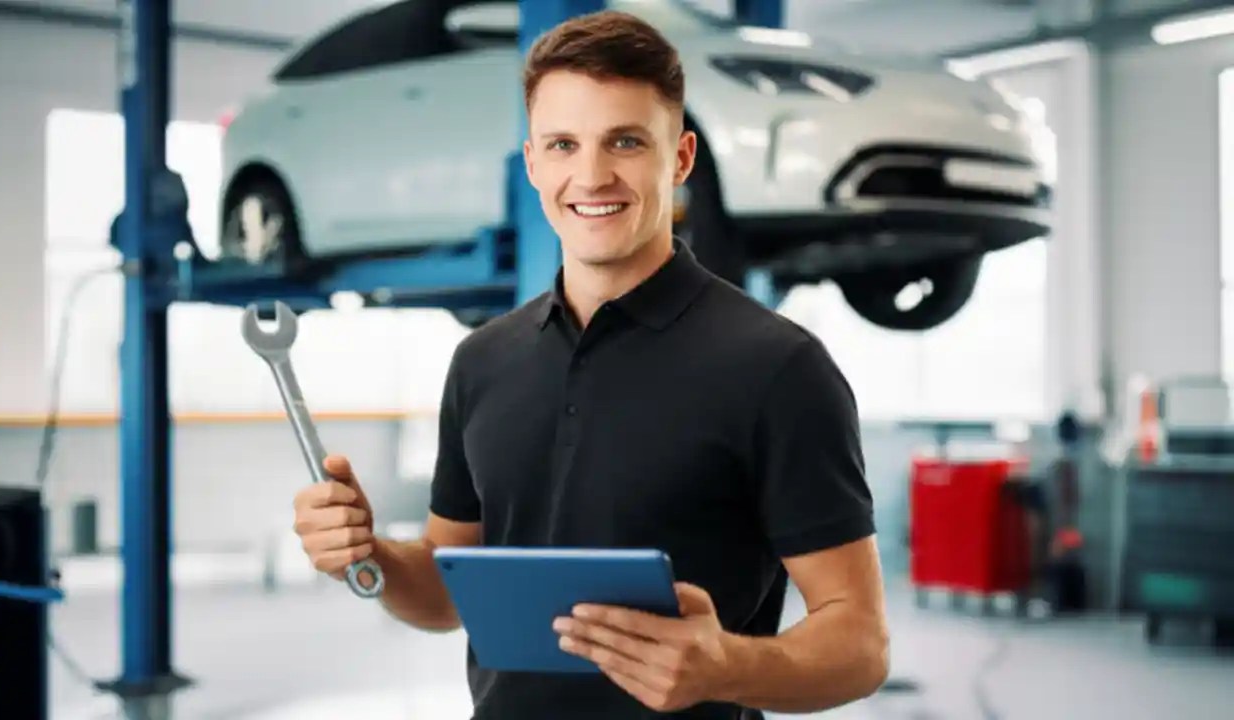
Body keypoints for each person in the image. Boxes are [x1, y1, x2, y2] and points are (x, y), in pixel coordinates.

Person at [291, 9, 889, 719]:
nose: (592, 174)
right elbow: (449, 595)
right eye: (564, 144)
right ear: (534, 161)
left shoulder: (778, 367)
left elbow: (860, 641)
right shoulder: (482, 361)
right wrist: (371, 558)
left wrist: (726, 666)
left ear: (681, 158)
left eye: (627, 142)